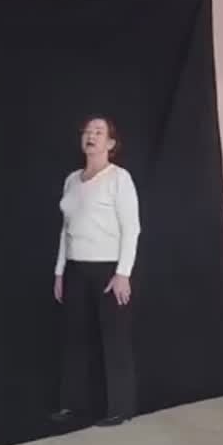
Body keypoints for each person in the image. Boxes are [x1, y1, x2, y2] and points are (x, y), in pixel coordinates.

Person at [51, 116, 140, 428]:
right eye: (87, 131)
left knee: (113, 339)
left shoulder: (119, 178)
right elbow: (65, 230)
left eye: (98, 132)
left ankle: (120, 407)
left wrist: (123, 273)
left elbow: (132, 228)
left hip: (107, 269)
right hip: (76, 268)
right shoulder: (72, 180)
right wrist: (60, 272)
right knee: (76, 338)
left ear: (111, 143)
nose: (91, 136)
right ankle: (73, 405)